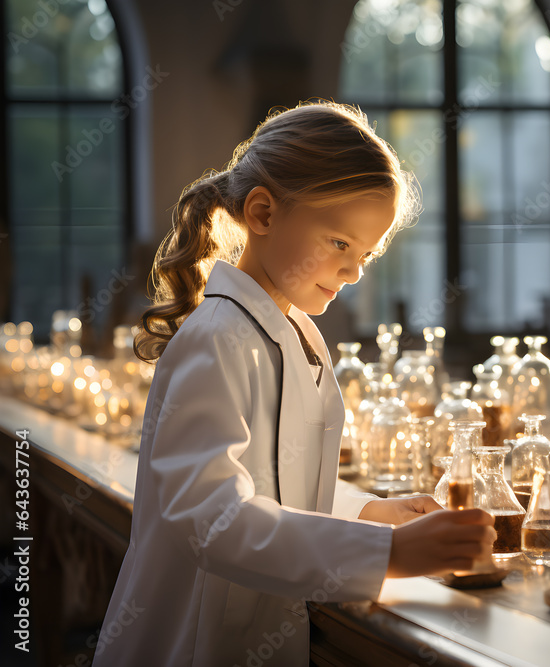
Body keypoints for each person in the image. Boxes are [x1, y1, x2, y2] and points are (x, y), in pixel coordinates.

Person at [94, 101, 495, 667]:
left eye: (366, 253)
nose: (355, 270)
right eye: (339, 243)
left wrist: (367, 513)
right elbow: (212, 517)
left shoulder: (292, 332)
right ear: (262, 213)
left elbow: (274, 478)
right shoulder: (217, 338)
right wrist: (387, 553)